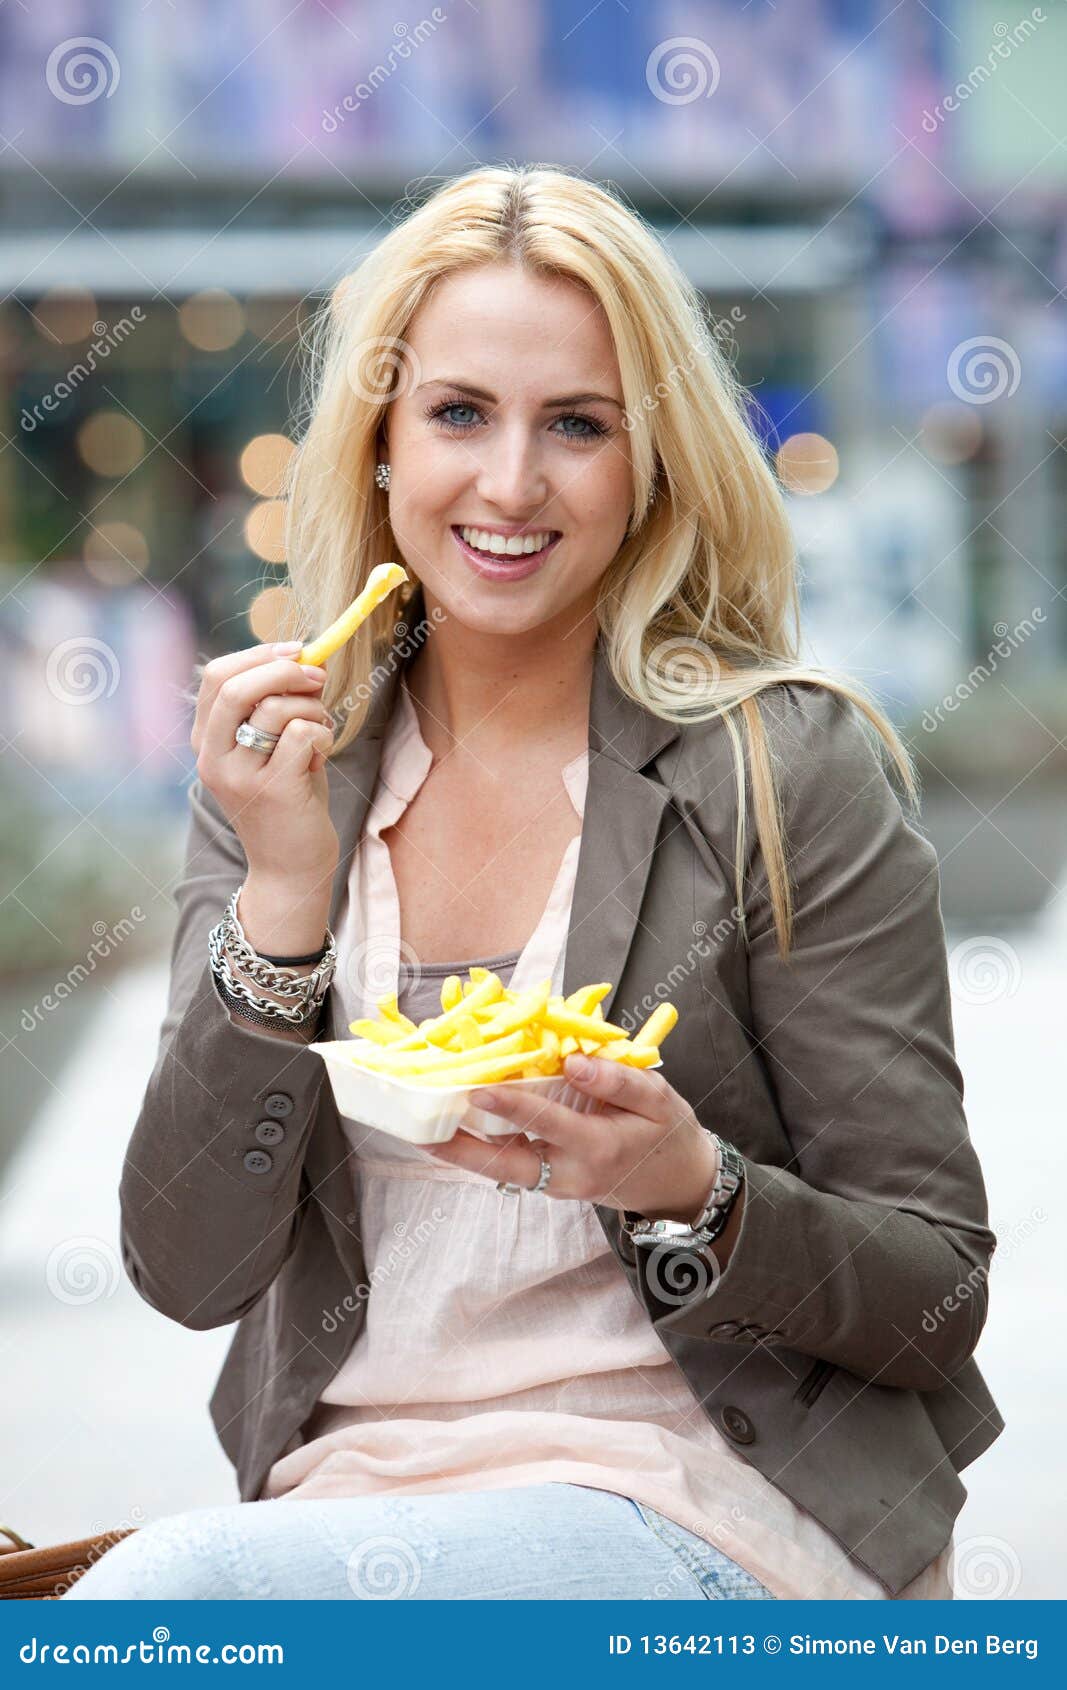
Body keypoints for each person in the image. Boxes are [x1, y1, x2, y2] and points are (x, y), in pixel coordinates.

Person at [66, 165, 1003, 1602]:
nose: (511, 484)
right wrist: (285, 901)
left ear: (652, 464)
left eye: (577, 424)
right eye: (458, 414)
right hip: (351, 1511)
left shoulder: (781, 768)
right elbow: (187, 1268)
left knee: (164, 1605)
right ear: (380, 444)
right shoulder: (287, 780)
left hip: (706, 1506)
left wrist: (693, 1187)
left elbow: (936, 1290)